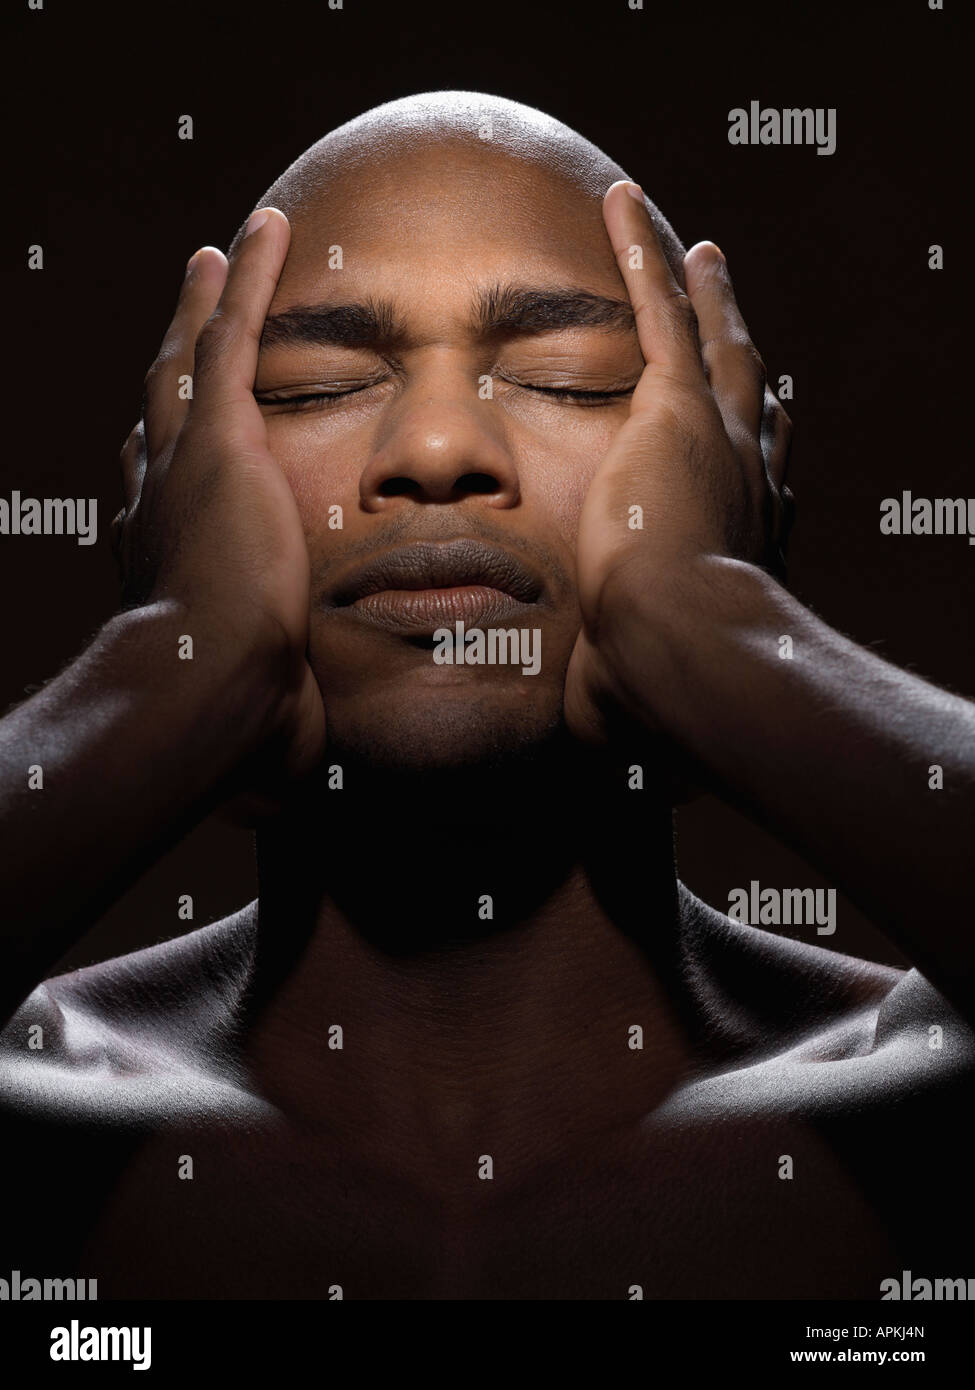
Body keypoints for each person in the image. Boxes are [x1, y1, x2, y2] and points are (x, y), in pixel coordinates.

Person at [1, 92, 971, 1300]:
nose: (440, 445)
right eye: (312, 384)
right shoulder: (34, 1098)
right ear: (174, 491)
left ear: (731, 464)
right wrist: (180, 659)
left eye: (570, 376)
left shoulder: (922, 1093)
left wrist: (710, 625)